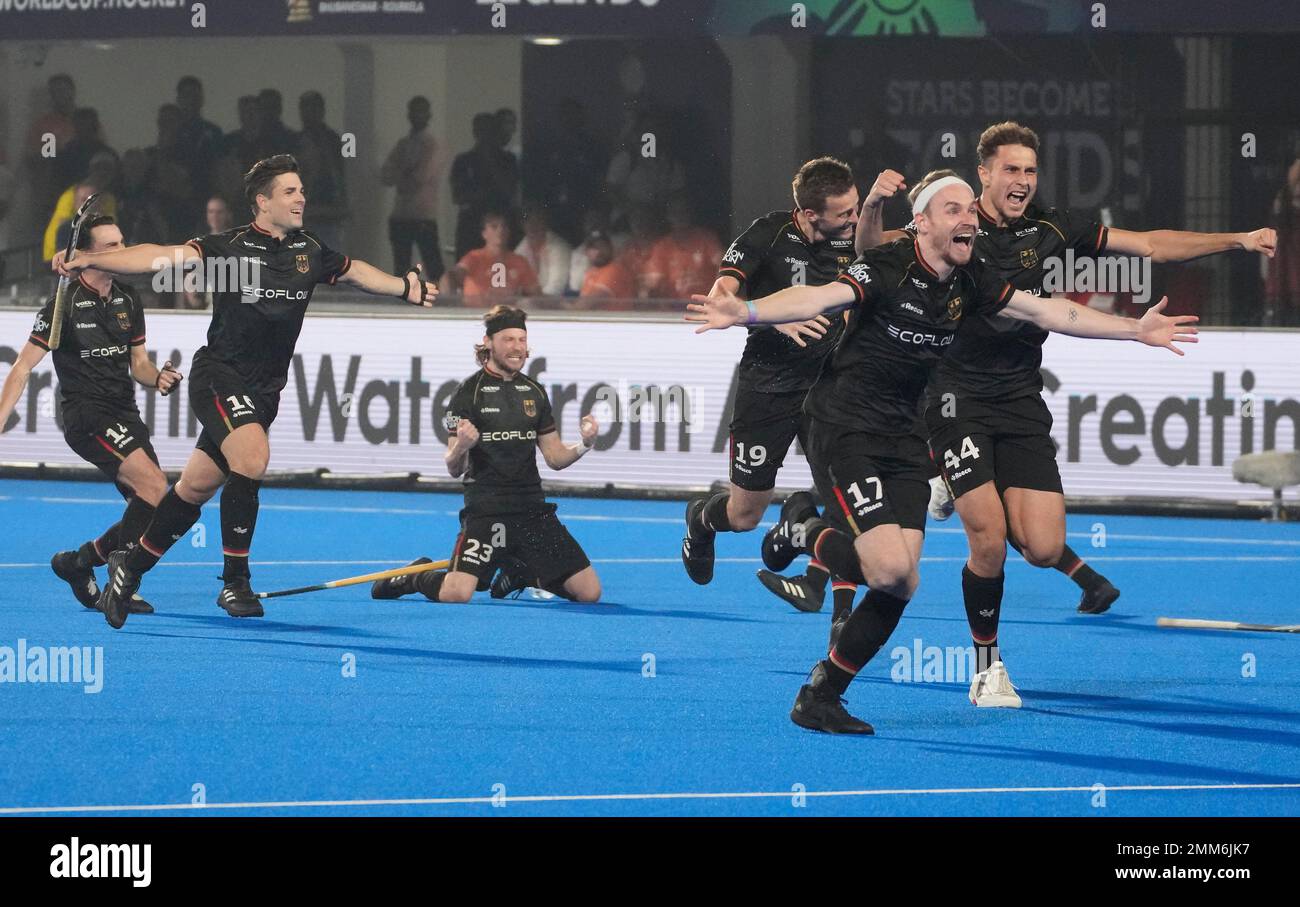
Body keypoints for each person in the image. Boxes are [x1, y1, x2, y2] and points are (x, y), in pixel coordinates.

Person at [687, 170, 1198, 733]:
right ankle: (800, 530)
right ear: (922, 222)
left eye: (970, 212)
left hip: (908, 436)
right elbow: (821, 296)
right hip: (846, 427)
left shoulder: (971, 275)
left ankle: (821, 695)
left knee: (902, 582)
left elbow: (1047, 312)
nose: (968, 219)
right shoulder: (886, 265)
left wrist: (1135, 330)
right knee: (886, 568)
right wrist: (747, 311)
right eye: (953, 210)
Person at [53, 154, 438, 628]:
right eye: (290, 192)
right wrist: (92, 258)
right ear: (263, 202)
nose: (302, 198)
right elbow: (160, 255)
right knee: (252, 457)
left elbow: (358, 271)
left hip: (264, 391)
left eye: (301, 190)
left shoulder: (310, 249)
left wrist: (405, 287)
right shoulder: (229, 248)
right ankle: (235, 581)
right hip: (218, 376)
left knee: (192, 490)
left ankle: (128, 568)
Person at [680, 158, 861, 629]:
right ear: (807, 214)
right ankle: (701, 521)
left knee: (847, 495)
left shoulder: (856, 238)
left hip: (830, 387)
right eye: (843, 214)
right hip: (769, 385)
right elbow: (722, 296)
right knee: (743, 515)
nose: (853, 220)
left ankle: (842, 615)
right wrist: (774, 314)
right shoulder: (768, 235)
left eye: (857, 209)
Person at [1, 216, 182, 616]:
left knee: (151, 508)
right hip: (87, 417)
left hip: (125, 412)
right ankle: (123, 583)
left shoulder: (128, 298)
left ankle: (79, 562)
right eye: (112, 246)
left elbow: (139, 363)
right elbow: (22, 368)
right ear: (89, 254)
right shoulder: (62, 306)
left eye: (123, 243)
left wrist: (159, 378)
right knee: (154, 484)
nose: (123, 251)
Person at [371, 305, 602, 604]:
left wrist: (585, 444)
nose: (517, 347)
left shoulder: (535, 392)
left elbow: (555, 457)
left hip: (531, 512)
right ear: (489, 342)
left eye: (522, 339)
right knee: (457, 593)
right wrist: (462, 446)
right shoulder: (467, 394)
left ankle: (521, 570)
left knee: (589, 593)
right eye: (508, 339)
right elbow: (454, 467)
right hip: (487, 511)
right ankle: (413, 576)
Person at [380, 96, 443, 280]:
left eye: (421, 110)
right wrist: (406, 173)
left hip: (424, 214)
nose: (417, 115)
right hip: (400, 215)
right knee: (401, 269)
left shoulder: (433, 145)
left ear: (429, 114)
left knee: (434, 267)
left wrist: (401, 172)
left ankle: (440, 305)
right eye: (414, 110)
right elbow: (385, 176)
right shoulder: (403, 144)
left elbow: (419, 178)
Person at [450, 113, 519, 261]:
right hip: (470, 225)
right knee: (468, 274)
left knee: (498, 274)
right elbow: (457, 196)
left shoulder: (508, 160)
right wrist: (483, 193)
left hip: (498, 225)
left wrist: (490, 162)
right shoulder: (463, 160)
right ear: (474, 132)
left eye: (488, 130)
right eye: (480, 130)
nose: (484, 136)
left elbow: (509, 191)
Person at [442, 211, 540, 303]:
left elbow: (536, 295)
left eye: (504, 227)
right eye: (494, 227)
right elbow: (452, 277)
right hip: (475, 316)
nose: (500, 231)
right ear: (484, 233)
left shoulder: (520, 261)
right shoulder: (474, 257)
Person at [295, 91, 348, 251]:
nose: (308, 114)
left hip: (327, 206)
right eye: (305, 109)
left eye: (312, 108)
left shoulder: (333, 139)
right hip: (303, 207)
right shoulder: (295, 140)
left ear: (321, 110)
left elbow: (340, 173)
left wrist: (343, 202)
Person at [642, 194, 723, 298]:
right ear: (669, 216)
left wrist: (716, 295)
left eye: (684, 211)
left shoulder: (706, 238)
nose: (680, 216)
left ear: (691, 214)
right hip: (672, 309)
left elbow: (724, 266)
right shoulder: (662, 246)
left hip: (704, 304)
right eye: (675, 212)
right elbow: (654, 282)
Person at [514, 204, 571, 296]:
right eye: (528, 221)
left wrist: (537, 299)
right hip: (532, 302)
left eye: (537, 221)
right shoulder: (519, 251)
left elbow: (557, 286)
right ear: (522, 225)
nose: (533, 226)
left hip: (557, 302)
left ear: (545, 223)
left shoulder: (559, 248)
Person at [576, 231, 636, 306]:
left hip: (615, 317)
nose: (598, 251)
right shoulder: (590, 273)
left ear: (610, 248)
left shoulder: (615, 269)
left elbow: (589, 304)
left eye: (602, 246)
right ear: (586, 252)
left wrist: (566, 306)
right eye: (593, 248)